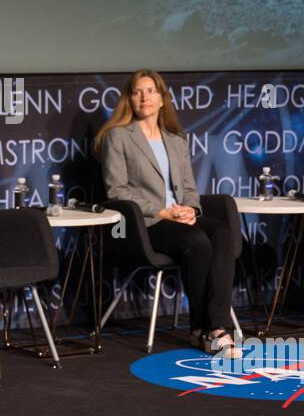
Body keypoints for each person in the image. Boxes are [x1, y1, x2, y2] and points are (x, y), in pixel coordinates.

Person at [97, 69, 239, 358]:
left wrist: (190, 209)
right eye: (137, 91)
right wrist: (162, 211)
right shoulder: (118, 137)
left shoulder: (175, 138)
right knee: (197, 241)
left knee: (223, 234)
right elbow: (117, 191)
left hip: (180, 217)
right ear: (129, 99)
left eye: (151, 91)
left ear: (162, 99)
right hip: (147, 223)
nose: (144, 97)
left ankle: (215, 327)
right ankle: (204, 329)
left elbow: (188, 187)